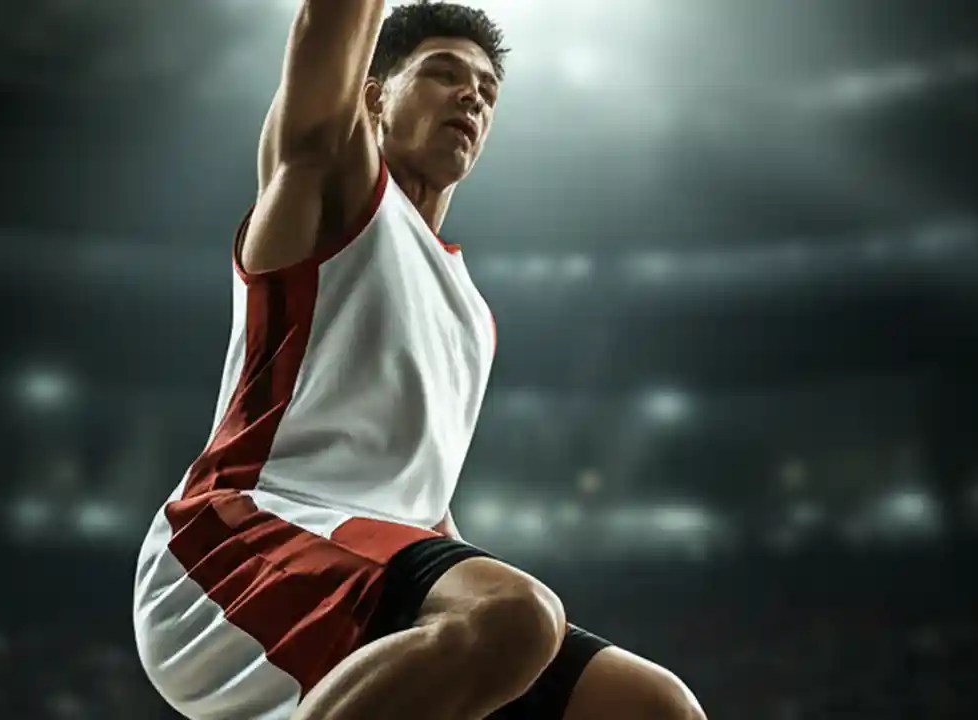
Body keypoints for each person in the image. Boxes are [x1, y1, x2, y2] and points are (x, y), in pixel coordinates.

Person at [133, 2, 707, 718]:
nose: (471, 94)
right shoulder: (332, 188)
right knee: (516, 615)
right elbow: (328, 30)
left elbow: (422, 508)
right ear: (373, 96)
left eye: (486, 90)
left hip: (359, 575)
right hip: (229, 547)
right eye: (443, 73)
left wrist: (478, 602)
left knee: (653, 707)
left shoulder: (471, 313)